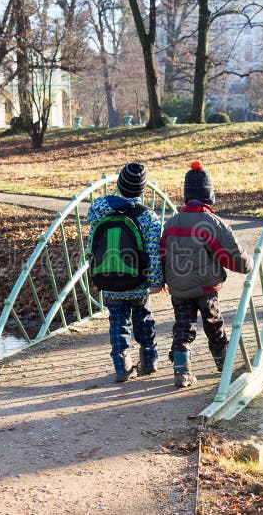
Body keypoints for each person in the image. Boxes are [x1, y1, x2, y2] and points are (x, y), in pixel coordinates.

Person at [161, 161, 252, 387]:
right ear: (209, 196)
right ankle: (223, 363)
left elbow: (162, 254)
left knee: (183, 326)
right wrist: (248, 265)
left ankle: (181, 371)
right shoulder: (211, 223)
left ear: (186, 196)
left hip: (179, 288)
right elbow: (231, 255)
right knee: (213, 322)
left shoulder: (171, 223)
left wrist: (162, 278)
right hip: (205, 288)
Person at [87, 163, 164, 382]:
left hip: (109, 279)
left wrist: (96, 273)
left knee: (117, 322)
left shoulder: (99, 210)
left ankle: (122, 364)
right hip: (137, 282)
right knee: (143, 319)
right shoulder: (148, 217)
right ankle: (149, 361)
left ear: (119, 185)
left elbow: (92, 244)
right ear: (143, 190)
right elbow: (152, 253)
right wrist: (156, 280)